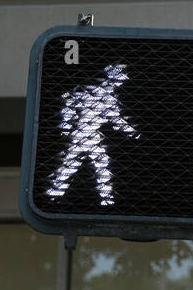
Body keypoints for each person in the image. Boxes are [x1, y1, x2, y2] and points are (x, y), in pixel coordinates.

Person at [46, 63, 140, 206]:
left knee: (75, 165)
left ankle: (56, 193)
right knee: (93, 166)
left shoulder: (102, 92)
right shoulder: (106, 94)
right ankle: (106, 200)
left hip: (88, 136)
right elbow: (114, 118)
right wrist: (131, 132)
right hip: (85, 135)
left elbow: (71, 102)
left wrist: (67, 125)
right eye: (122, 75)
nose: (125, 79)